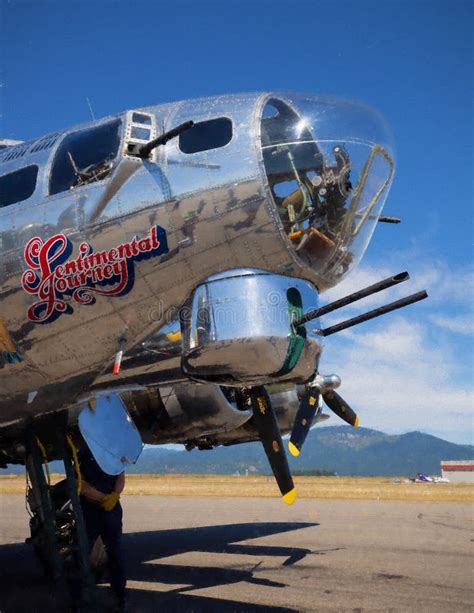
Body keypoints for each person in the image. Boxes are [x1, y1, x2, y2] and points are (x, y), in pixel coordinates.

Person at [78, 443, 127, 611]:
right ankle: (117, 597)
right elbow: (82, 485)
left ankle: (117, 596)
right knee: (111, 553)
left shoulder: (85, 454)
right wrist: (109, 498)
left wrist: (109, 497)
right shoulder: (110, 453)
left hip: (101, 510)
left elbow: (120, 477)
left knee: (107, 553)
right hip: (103, 509)